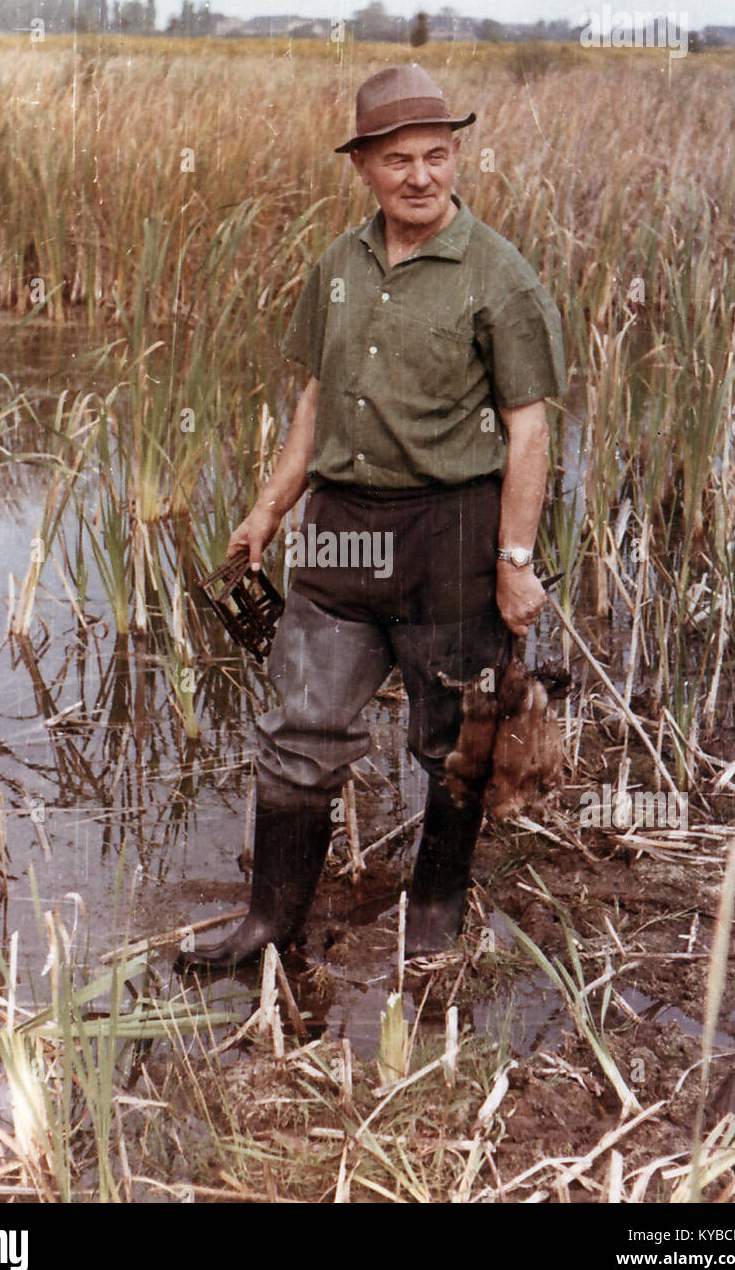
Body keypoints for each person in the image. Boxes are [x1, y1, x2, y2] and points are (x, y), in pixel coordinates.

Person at [175, 63, 565, 972]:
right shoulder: (335, 268)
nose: (420, 176)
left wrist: (514, 558)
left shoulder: (499, 275)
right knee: (301, 732)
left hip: (454, 537)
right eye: (398, 160)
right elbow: (313, 403)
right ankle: (269, 922)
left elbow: (530, 429)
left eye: (437, 155)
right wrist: (267, 512)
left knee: (455, 745)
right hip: (342, 532)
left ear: (457, 156)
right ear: (363, 167)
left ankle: (432, 921)